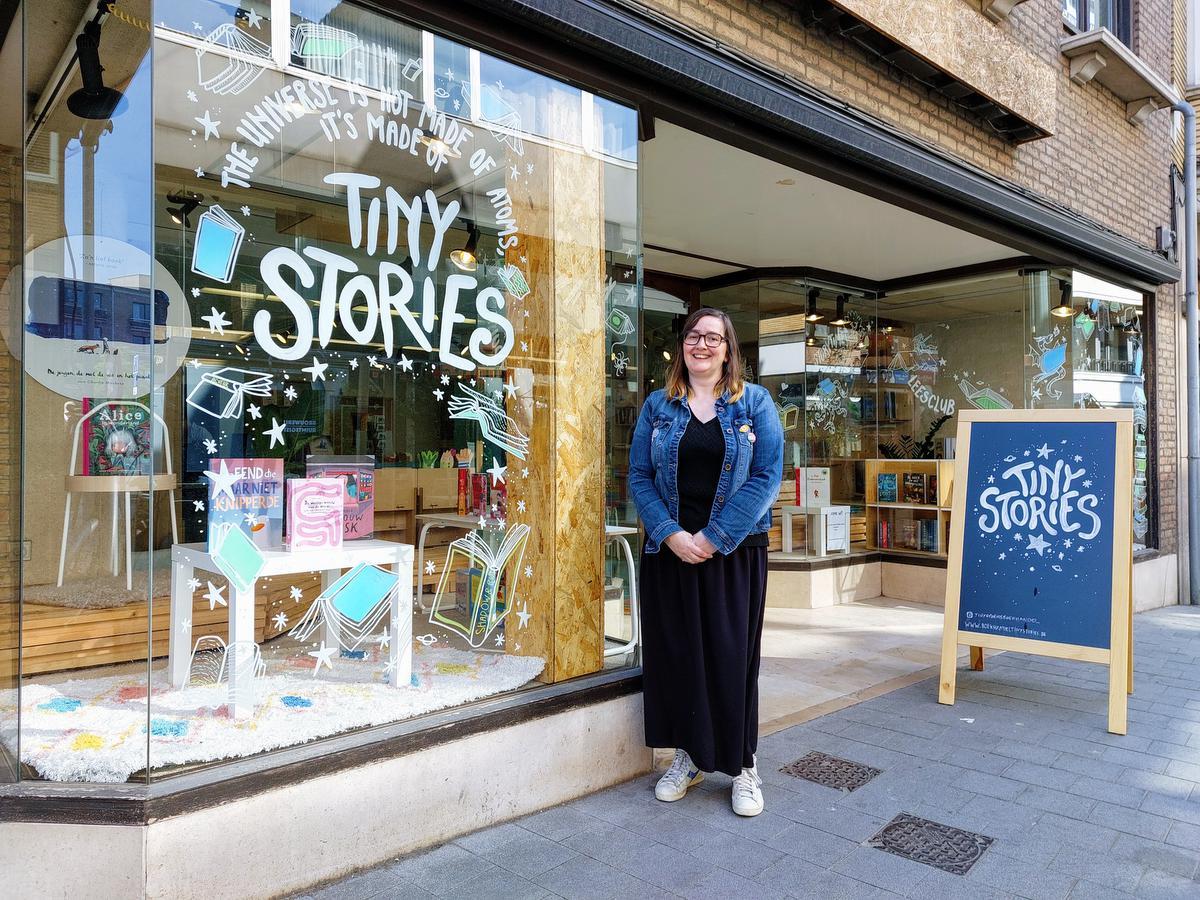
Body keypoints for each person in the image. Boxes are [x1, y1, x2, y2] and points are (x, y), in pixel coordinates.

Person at [628, 307, 784, 817]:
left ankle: (743, 766)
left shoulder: (754, 403)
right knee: (679, 658)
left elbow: (767, 475)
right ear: (682, 346)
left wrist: (715, 536)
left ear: (728, 348)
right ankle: (688, 758)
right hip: (669, 554)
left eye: (713, 338)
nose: (702, 345)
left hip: (733, 552)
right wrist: (671, 533)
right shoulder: (658, 406)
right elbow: (638, 477)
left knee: (731, 659)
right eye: (694, 336)